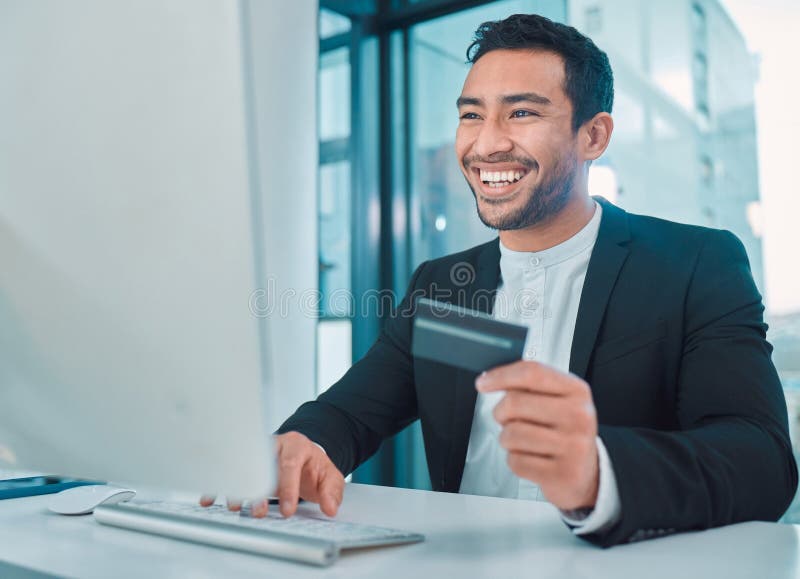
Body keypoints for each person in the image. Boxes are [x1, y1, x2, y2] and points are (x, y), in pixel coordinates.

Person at [203, 13, 797, 546]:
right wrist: (306, 442)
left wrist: (598, 471)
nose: (486, 144)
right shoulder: (444, 287)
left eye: (522, 112)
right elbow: (353, 412)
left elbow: (762, 460)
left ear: (593, 136)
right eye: (470, 115)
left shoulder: (692, 264)